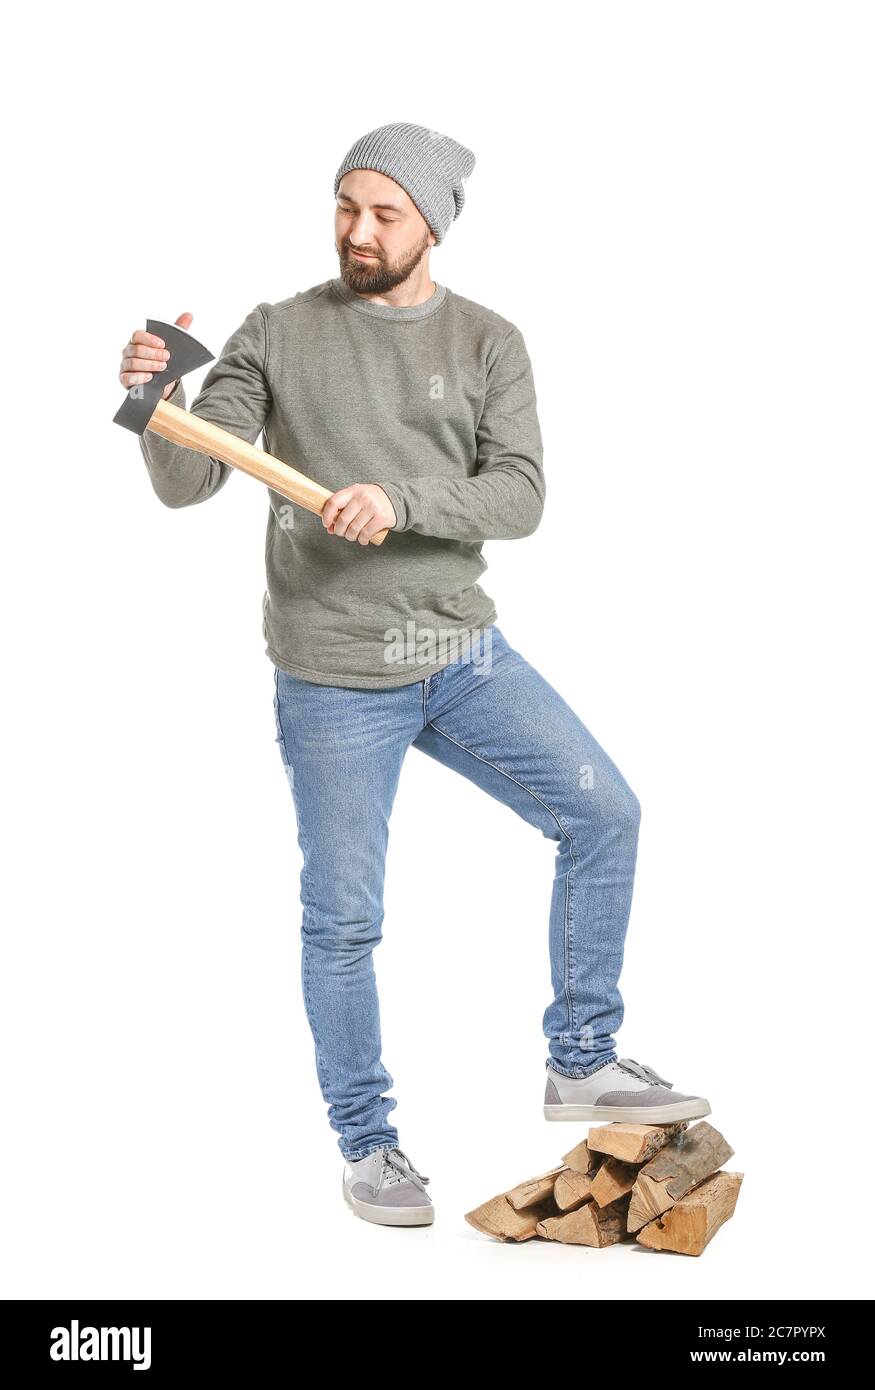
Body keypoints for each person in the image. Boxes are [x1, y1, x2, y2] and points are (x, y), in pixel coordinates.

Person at [119, 122, 710, 1230]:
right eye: (345, 206)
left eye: (384, 213)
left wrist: (398, 498)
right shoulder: (278, 332)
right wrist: (155, 408)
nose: (357, 230)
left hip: (457, 652)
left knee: (604, 817)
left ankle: (579, 1056)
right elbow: (189, 484)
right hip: (334, 673)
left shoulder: (489, 340)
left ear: (431, 223)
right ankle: (367, 1142)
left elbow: (520, 496)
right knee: (342, 920)